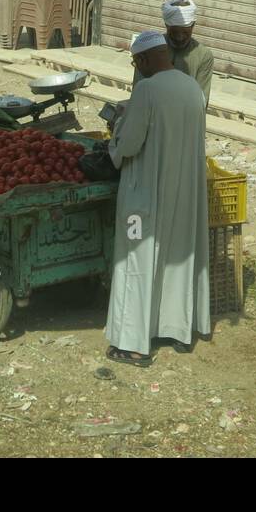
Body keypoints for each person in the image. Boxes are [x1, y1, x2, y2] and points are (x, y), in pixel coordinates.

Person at [104, 30, 211, 367]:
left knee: (136, 260)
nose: (137, 68)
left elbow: (131, 143)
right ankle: (177, 330)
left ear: (146, 59)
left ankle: (134, 345)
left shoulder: (146, 89)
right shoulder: (192, 88)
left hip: (146, 192)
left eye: (137, 62)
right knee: (178, 256)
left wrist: (114, 139)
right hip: (183, 189)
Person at [132, 0, 214, 109]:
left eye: (185, 32)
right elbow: (138, 92)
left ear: (193, 25)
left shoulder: (204, 56)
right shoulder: (149, 49)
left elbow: (200, 103)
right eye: (174, 32)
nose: (179, 37)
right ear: (166, 25)